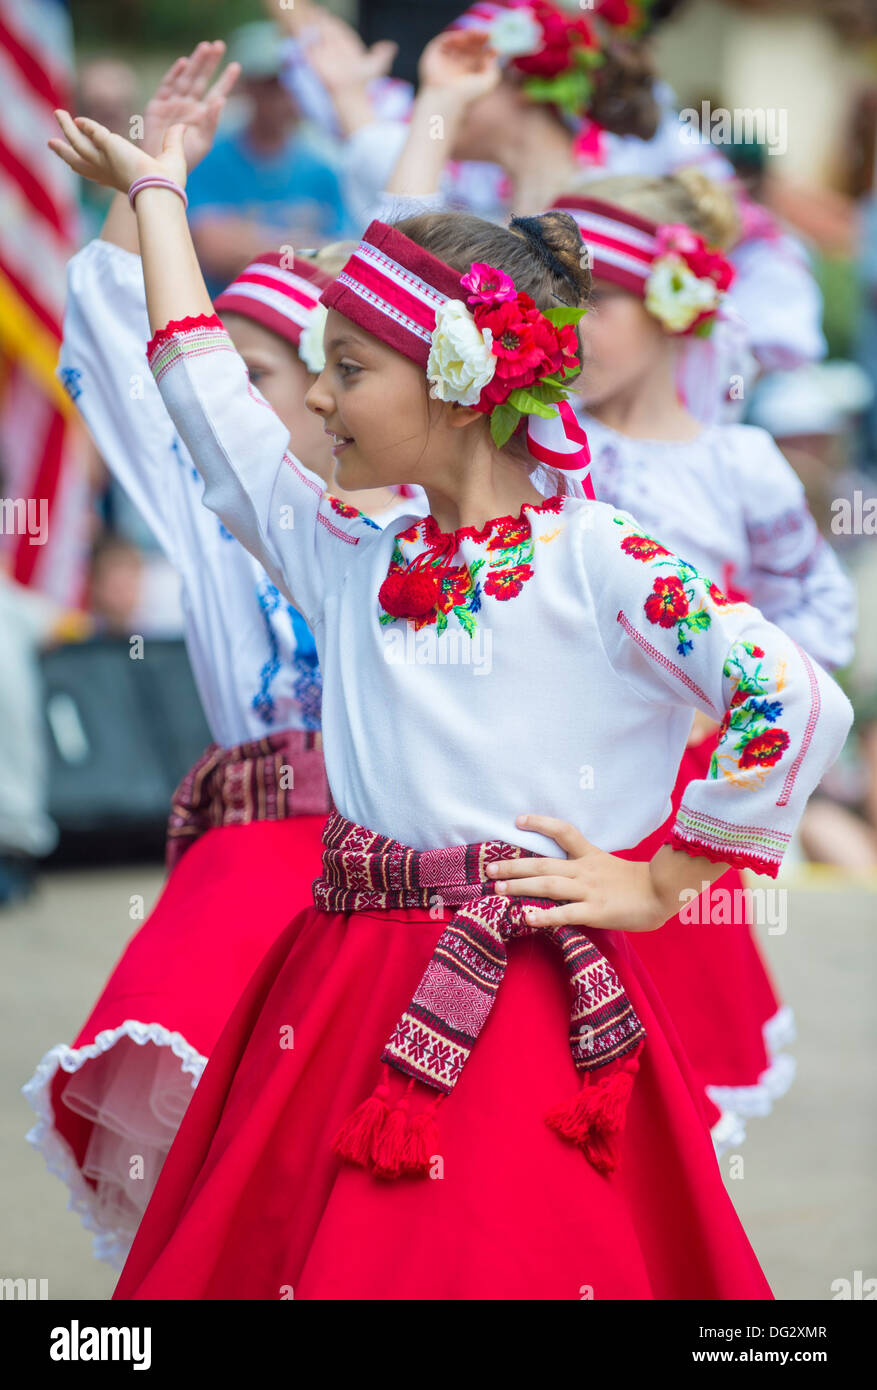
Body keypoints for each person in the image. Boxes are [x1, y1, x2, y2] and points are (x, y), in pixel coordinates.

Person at [47, 103, 854, 1301]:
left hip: (519, 994)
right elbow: (208, 405)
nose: (316, 400)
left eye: (348, 370)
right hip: (335, 982)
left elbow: (792, 695)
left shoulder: (602, 560)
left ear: (459, 379)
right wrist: (161, 202)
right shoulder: (347, 549)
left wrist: (663, 878)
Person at [24, 44, 412, 1271]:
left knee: (358, 1167)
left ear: (332, 387)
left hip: (385, 867)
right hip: (250, 861)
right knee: (208, 1162)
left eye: (250, 375)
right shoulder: (217, 506)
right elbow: (130, 375)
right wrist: (150, 195)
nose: (211, 396)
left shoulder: (411, 517)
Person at [548, 175, 857, 1144]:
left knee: (670, 1086)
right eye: (561, 300)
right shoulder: (541, 449)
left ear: (672, 306)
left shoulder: (740, 464)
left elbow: (816, 608)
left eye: (598, 299)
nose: (575, 324)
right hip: (555, 781)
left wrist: (726, 700)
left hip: (675, 812)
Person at [184, 21, 351, 296]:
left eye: (292, 83)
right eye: (270, 84)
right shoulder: (206, 158)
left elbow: (341, 258)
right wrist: (307, 247)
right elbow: (213, 250)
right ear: (247, 88)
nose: (283, 95)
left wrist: (248, 241)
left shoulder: (324, 167)